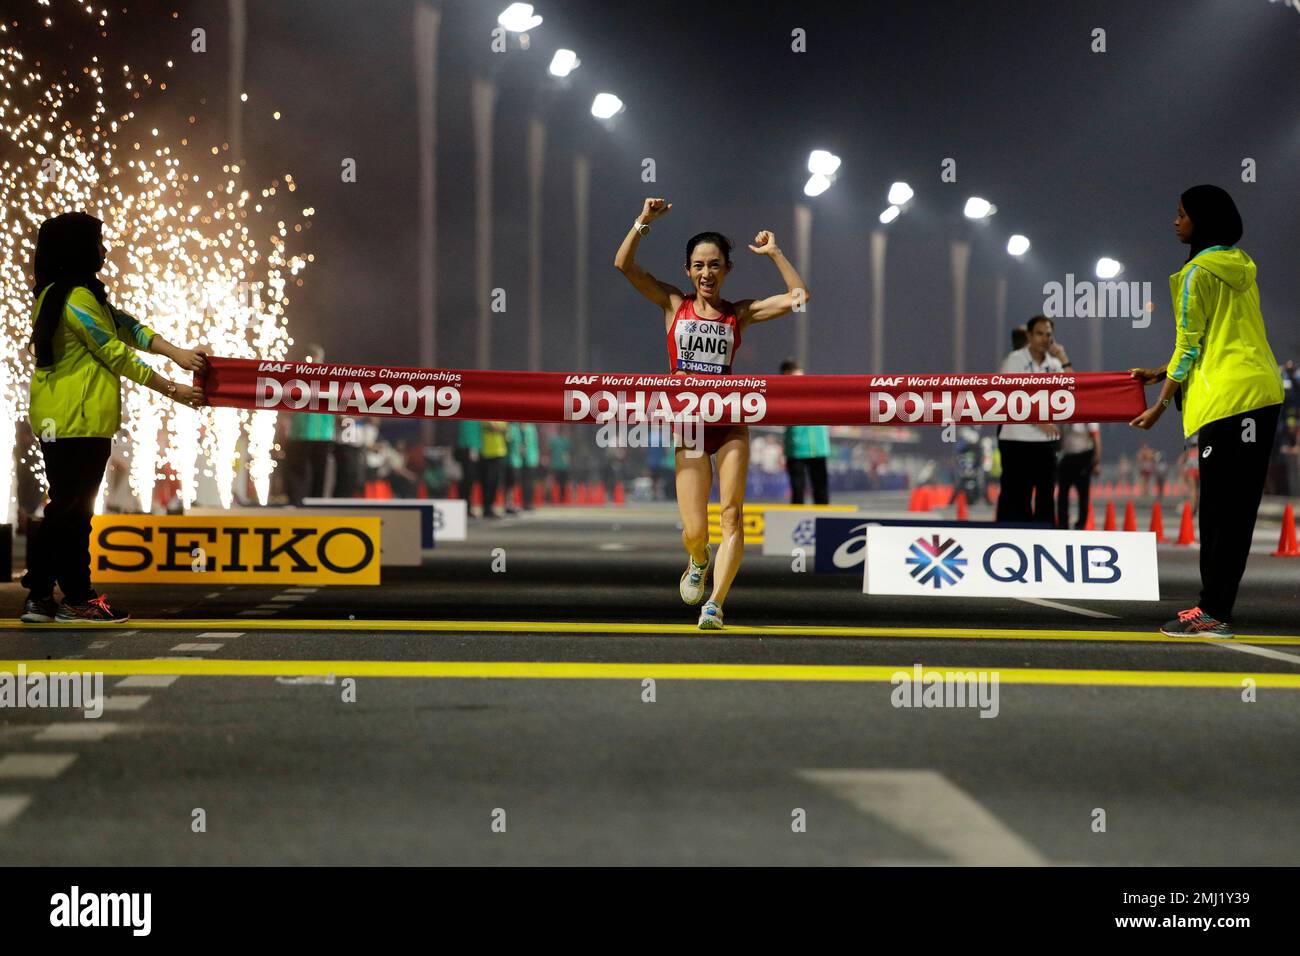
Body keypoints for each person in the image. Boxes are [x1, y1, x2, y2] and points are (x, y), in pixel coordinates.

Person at [615, 197, 809, 629]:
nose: (707, 273)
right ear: (688, 271)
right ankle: (698, 560)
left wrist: (775, 252)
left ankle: (716, 604)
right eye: (699, 265)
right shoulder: (672, 304)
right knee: (695, 529)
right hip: (689, 425)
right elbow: (624, 265)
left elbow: (799, 297)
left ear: (726, 270)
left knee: (732, 513)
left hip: (730, 423)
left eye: (715, 265)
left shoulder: (737, 314)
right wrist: (643, 222)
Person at [20, 212, 207, 624]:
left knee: (67, 508)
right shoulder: (76, 298)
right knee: (73, 511)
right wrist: (172, 389)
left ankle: (43, 597)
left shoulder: (71, 292)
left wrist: (175, 352)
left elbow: (127, 327)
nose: (104, 251)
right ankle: (73, 597)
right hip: (75, 419)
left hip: (67, 419)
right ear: (77, 249)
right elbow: (115, 352)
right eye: (97, 243)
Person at [1129, 184, 1284, 637]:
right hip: (1260, 392)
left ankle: (1212, 611)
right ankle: (1216, 606)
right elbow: (1221, 339)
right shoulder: (1240, 266)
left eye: (1181, 214)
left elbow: (1189, 345)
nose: (1175, 221)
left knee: (1218, 511)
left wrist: (1159, 405)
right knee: (1235, 510)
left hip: (1228, 401)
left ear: (1202, 220)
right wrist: (1163, 372)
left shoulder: (1198, 271)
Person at [995, 315, 1070, 524]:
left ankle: (1045, 542)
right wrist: (1040, 422)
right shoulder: (1015, 360)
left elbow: (1075, 389)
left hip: (1045, 443)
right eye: (1039, 334)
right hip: (1016, 441)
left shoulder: (1054, 365)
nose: (1045, 339)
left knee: (1046, 498)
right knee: (1019, 498)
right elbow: (1011, 397)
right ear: (1029, 336)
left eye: (1049, 335)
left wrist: (1064, 359)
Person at [282, 343, 335, 504]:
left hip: (317, 434)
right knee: (302, 471)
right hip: (303, 433)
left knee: (315, 472)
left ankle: (311, 503)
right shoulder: (297, 378)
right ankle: (302, 502)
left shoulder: (328, 379)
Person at [779, 358, 831, 505]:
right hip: (795, 450)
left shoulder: (814, 388)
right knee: (797, 492)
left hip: (818, 448)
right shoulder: (781, 393)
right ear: (785, 376)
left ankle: (824, 523)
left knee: (821, 491)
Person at [1056, 422, 1101, 528]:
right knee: (1062, 493)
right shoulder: (1065, 417)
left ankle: (1081, 524)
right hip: (1067, 458)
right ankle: (1063, 523)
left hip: (1083, 458)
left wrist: (1096, 462)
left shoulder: (1089, 419)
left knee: (1083, 494)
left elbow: (1096, 439)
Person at [479, 420, 508, 518]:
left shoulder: (501, 419)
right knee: (487, 482)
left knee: (496, 482)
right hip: (487, 453)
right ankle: (486, 508)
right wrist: (498, 429)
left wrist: (496, 428)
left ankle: (491, 507)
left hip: (500, 452)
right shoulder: (485, 416)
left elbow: (505, 430)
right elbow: (490, 427)